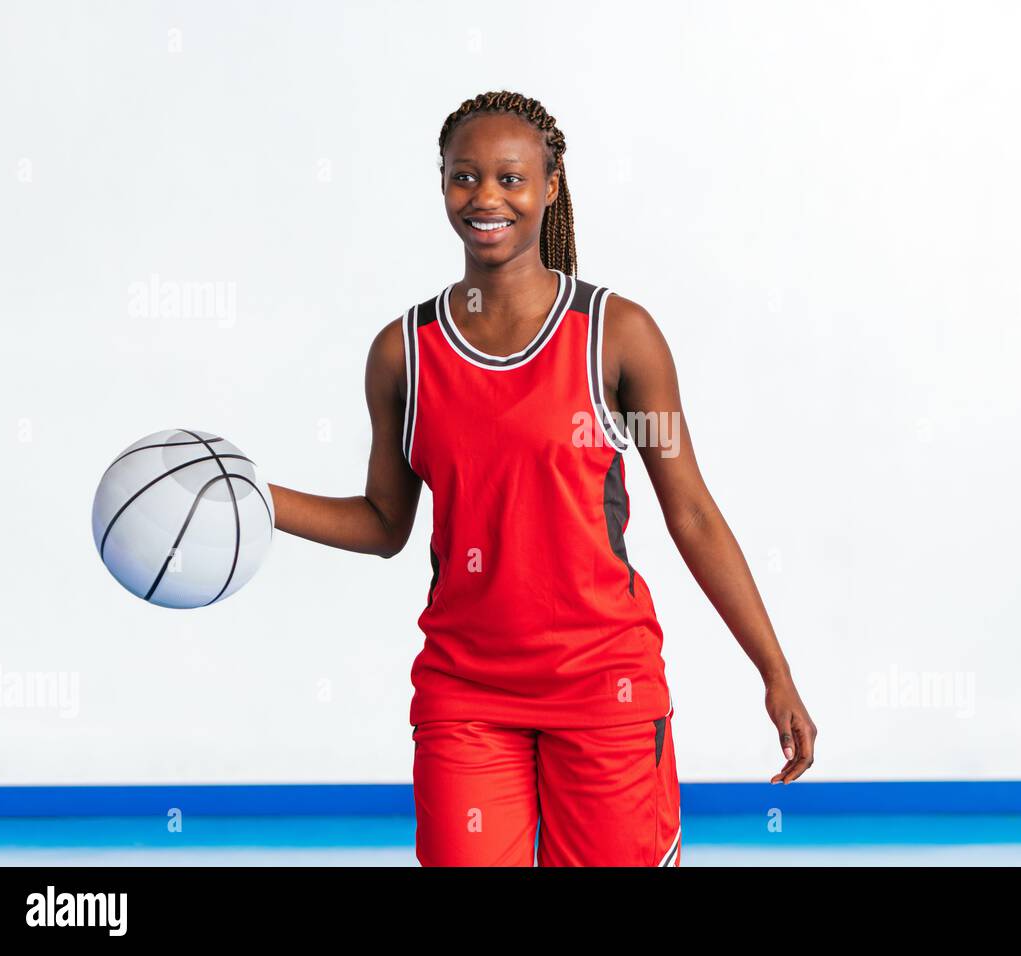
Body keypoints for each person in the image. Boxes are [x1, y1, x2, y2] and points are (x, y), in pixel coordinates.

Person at [269, 90, 816, 866]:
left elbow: (689, 512)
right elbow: (384, 523)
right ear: (441, 185)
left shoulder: (617, 337)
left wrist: (775, 670)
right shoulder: (404, 353)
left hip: (606, 688)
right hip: (467, 692)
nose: (485, 198)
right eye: (465, 178)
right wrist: (255, 497)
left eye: (510, 179)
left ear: (550, 186)